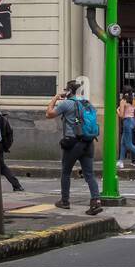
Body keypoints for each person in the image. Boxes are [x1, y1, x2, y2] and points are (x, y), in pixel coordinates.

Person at [47, 79, 102, 214]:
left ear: (69, 91)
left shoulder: (66, 104)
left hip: (73, 143)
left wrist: (55, 98)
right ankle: (96, 201)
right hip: (88, 142)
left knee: (66, 172)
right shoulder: (88, 104)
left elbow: (49, 114)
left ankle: (65, 201)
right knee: (89, 174)